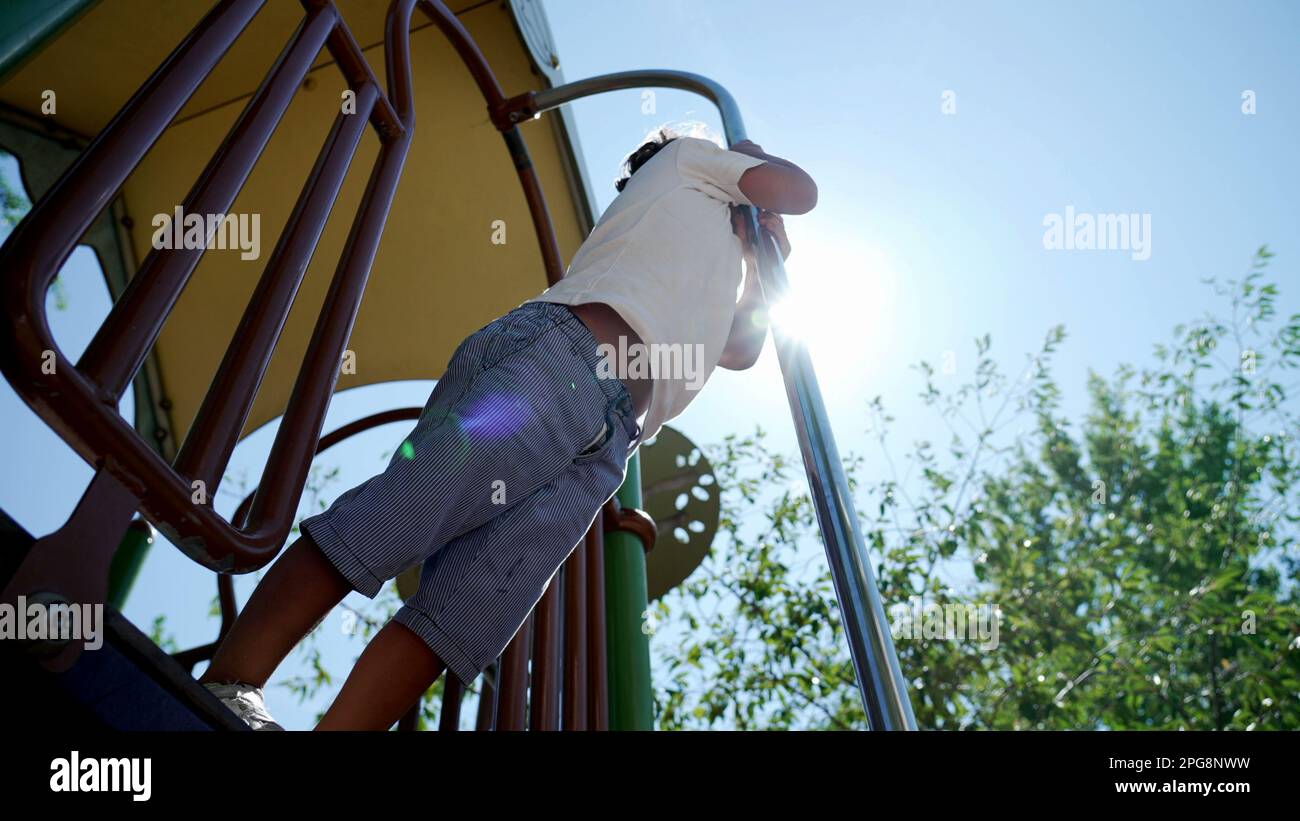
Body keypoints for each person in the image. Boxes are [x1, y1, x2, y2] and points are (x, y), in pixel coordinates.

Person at [198, 123, 816, 730]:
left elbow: (739, 350)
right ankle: (233, 681)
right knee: (402, 514)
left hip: (609, 444)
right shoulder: (690, 160)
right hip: (562, 363)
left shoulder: (728, 259)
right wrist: (753, 156)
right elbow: (799, 189)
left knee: (468, 613)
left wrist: (762, 268)